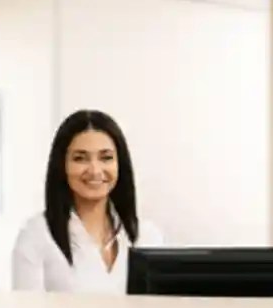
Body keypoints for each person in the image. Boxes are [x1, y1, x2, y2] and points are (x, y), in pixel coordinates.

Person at [12, 110, 163, 293]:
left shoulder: (146, 237)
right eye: (80, 158)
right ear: (62, 165)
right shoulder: (37, 235)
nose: (95, 170)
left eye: (106, 158)